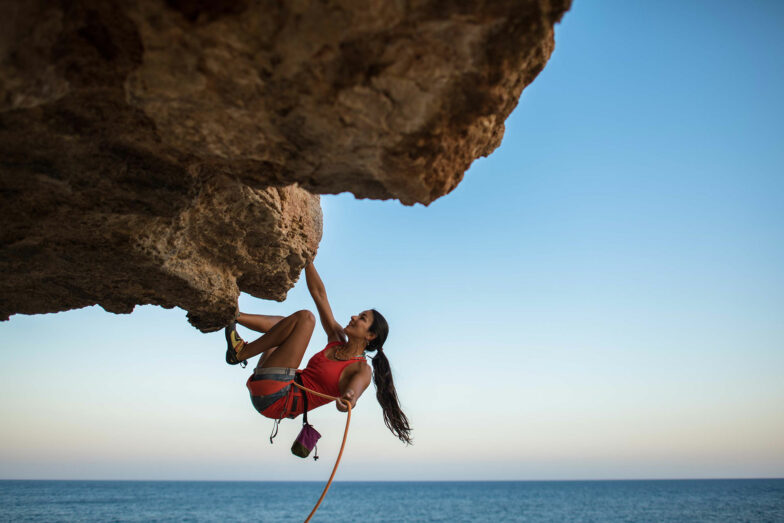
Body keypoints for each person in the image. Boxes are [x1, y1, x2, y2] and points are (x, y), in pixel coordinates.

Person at [224, 262, 412, 444]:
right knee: (285, 325)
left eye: (362, 318)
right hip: (269, 385)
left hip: (279, 399)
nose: (353, 317)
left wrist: (348, 399)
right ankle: (233, 316)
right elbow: (319, 295)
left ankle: (241, 353)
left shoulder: (361, 369)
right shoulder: (336, 337)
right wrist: (308, 261)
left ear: (371, 335)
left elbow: (353, 393)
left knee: (306, 318)